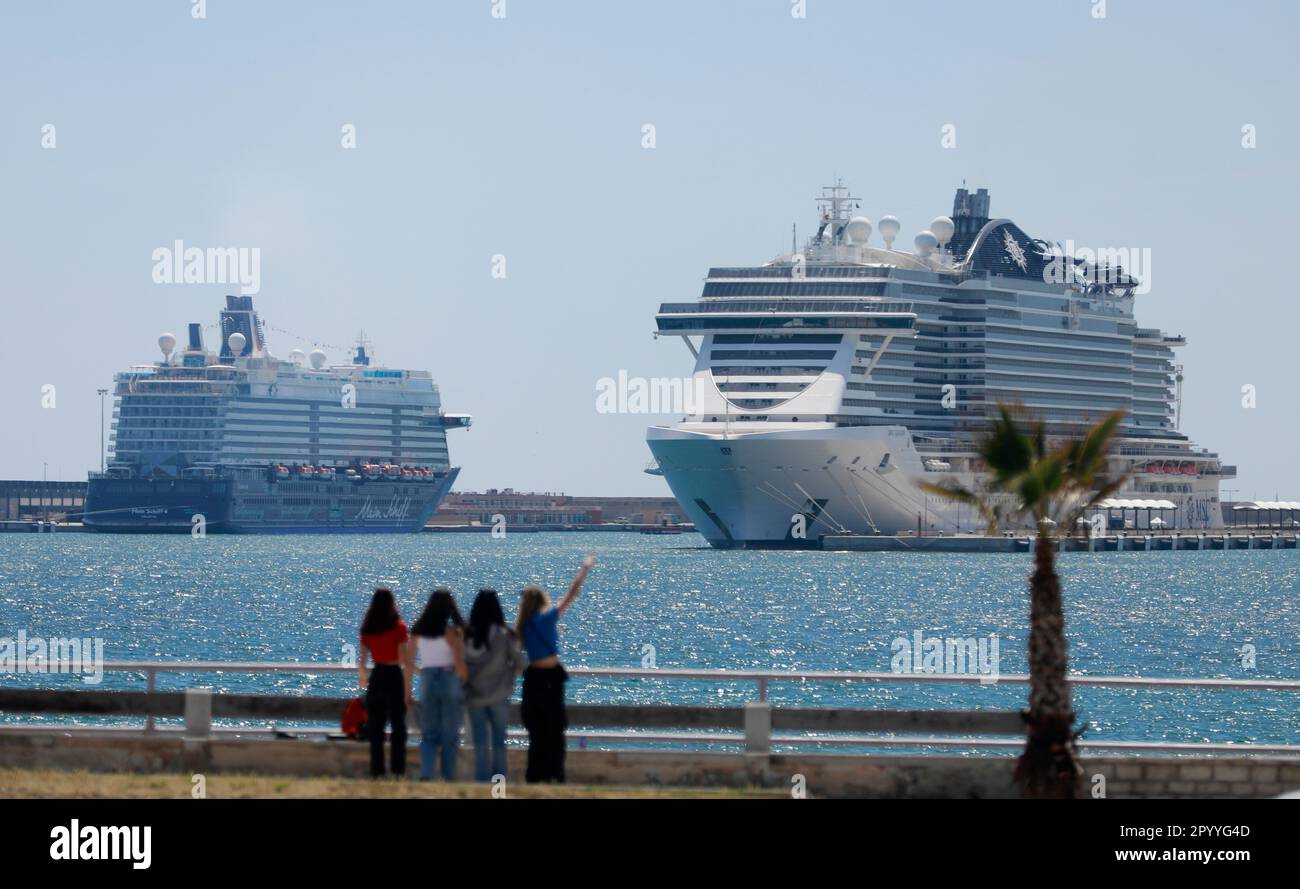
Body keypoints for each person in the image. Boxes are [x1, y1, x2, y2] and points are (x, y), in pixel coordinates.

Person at [517, 554, 595, 783]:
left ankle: (535, 777)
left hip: (532, 680)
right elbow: (571, 594)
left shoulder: (522, 625)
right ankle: (555, 777)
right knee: (555, 731)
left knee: (536, 734)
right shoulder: (547, 618)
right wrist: (584, 569)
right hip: (551, 678)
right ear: (542, 601)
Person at [463, 588, 526, 782]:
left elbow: (460, 664)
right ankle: (498, 789)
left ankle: (481, 785)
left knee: (479, 743)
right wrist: (507, 676)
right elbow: (520, 663)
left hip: (474, 696)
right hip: (499, 695)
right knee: (499, 743)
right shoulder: (504, 635)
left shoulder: (467, 635)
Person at [411, 589, 467, 781]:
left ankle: (427, 774)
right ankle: (447, 776)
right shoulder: (453, 633)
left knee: (429, 734)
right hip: (448, 678)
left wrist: (419, 675)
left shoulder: (419, 630)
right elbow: (459, 665)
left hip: (427, 679)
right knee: (450, 735)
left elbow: (408, 662)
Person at [358, 587, 411, 778]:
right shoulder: (399, 628)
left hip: (377, 675)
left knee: (376, 728)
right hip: (394, 675)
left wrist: (363, 680)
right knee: (398, 727)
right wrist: (408, 690)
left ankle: (377, 771)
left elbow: (362, 662)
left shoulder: (368, 628)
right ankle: (398, 770)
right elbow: (404, 660)